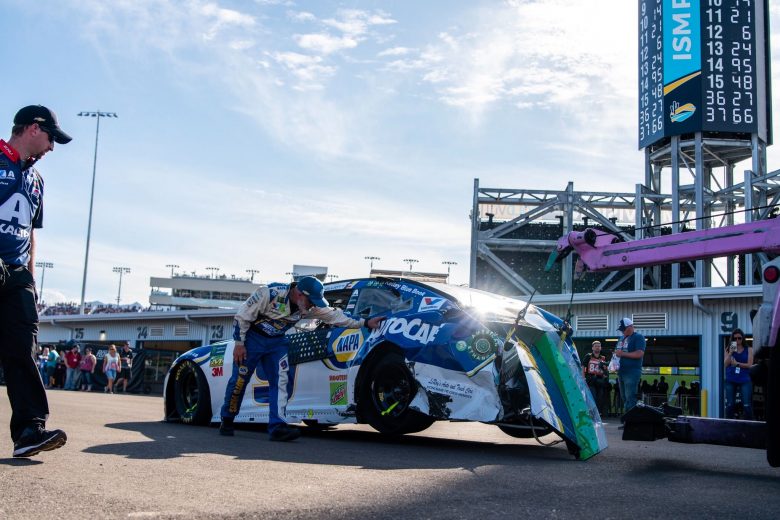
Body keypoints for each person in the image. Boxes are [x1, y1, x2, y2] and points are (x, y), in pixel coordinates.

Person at [219, 276, 385, 441]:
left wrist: (366, 322)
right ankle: (227, 419)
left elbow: (337, 317)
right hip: (252, 340)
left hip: (277, 343)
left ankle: (277, 427)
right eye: (311, 300)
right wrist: (239, 343)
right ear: (299, 294)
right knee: (239, 381)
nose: (313, 305)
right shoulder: (268, 293)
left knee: (281, 382)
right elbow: (242, 316)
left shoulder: (311, 306)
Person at [0, 105, 71, 456]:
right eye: (51, 138)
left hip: (16, 277)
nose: (52, 148)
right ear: (32, 128)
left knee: (22, 353)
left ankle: (29, 431)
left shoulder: (37, 180)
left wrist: (30, 276)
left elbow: (30, 232)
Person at [614, 317, 646, 414]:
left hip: (631, 372)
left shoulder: (638, 337)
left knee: (630, 397)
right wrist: (613, 363)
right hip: (621, 371)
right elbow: (617, 353)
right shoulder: (621, 338)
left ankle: (631, 422)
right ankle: (628, 419)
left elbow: (640, 353)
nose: (622, 331)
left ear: (630, 327)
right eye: (621, 330)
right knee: (624, 397)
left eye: (624, 329)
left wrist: (622, 354)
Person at [724, 328, 754, 420]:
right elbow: (725, 364)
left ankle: (750, 425)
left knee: (746, 404)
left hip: (744, 379)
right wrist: (730, 353)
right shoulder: (729, 349)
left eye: (739, 338)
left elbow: (750, 365)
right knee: (730, 405)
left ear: (743, 338)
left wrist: (737, 364)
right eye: (735, 338)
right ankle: (728, 425)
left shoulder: (749, 349)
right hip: (731, 378)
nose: (737, 340)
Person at [582, 340, 609, 415]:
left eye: (599, 346)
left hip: (600, 380)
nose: (597, 347)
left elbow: (605, 370)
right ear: (592, 348)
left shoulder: (603, 358)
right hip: (591, 379)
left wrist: (605, 374)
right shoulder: (588, 356)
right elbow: (583, 366)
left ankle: (597, 413)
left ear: (601, 348)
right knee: (592, 397)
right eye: (596, 346)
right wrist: (583, 377)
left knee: (600, 398)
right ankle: (590, 413)